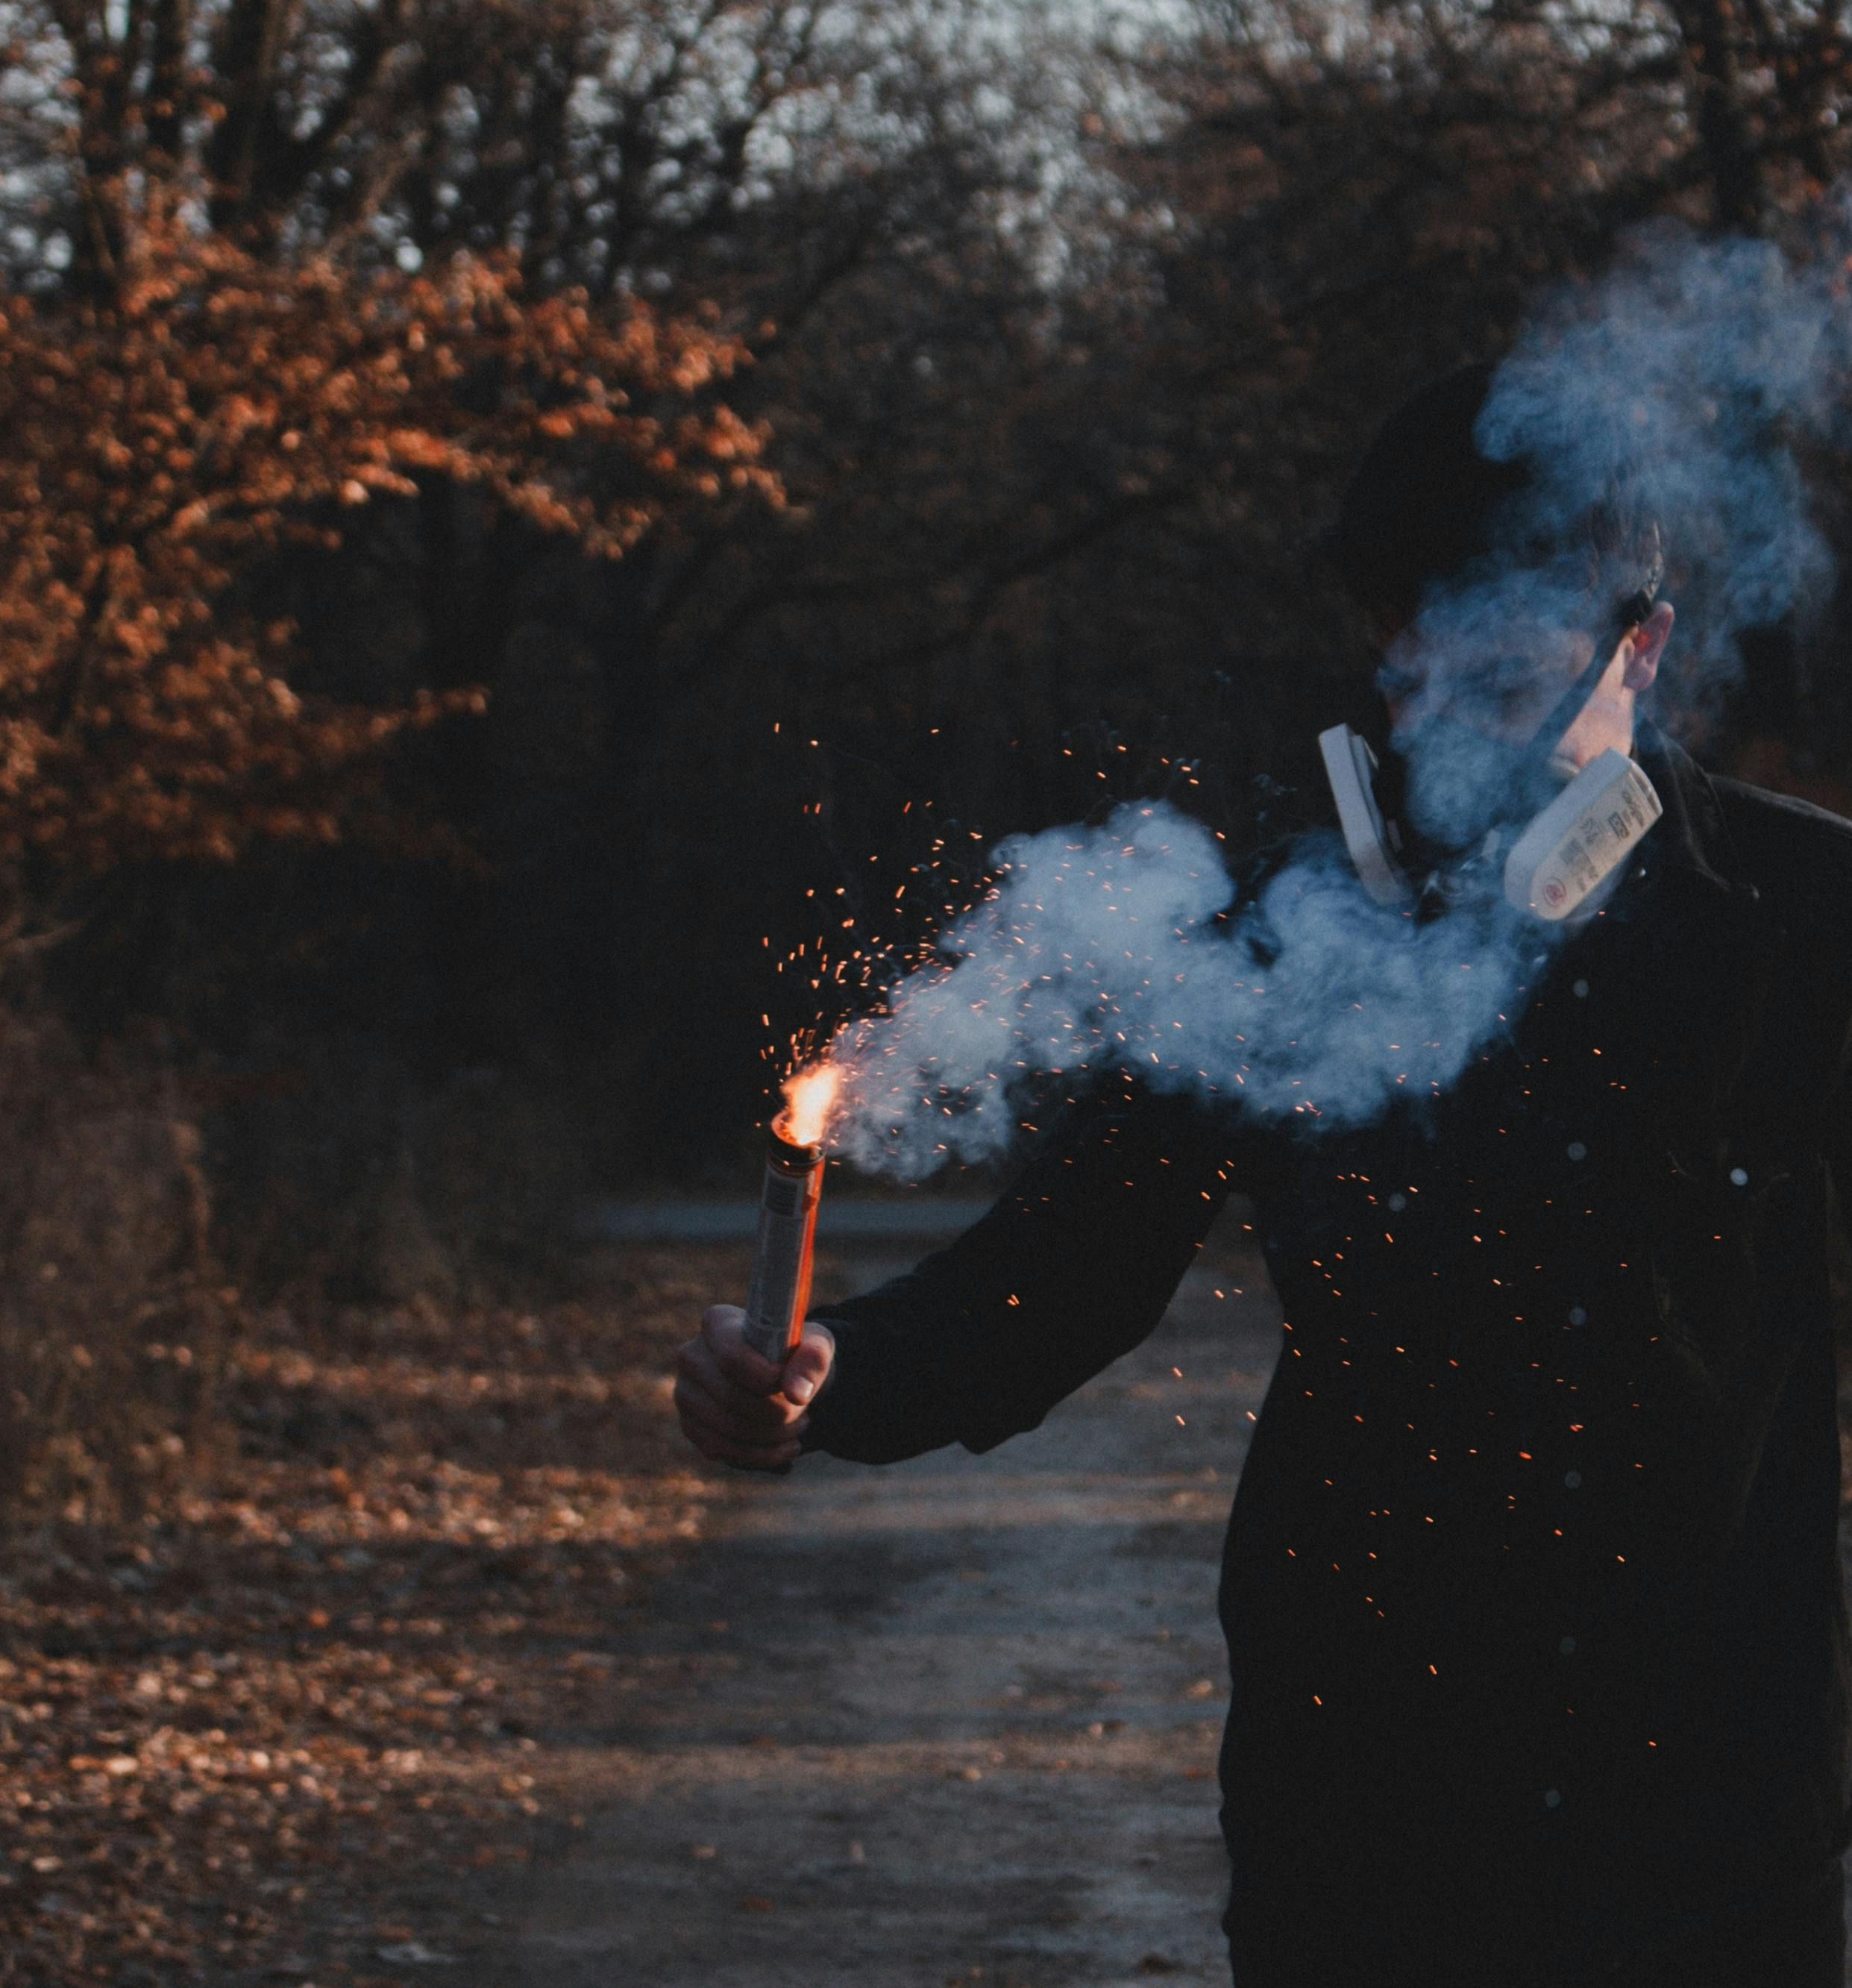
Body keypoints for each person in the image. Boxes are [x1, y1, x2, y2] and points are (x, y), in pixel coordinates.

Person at [672, 369, 1852, 1987]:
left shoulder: (1804, 919)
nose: (1434, 701)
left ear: (1641, 640)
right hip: (1363, 1792)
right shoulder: (1287, 928)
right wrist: (828, 1379)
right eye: (1404, 646)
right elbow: (1061, 1267)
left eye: (1497, 662)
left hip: (1714, 1805)